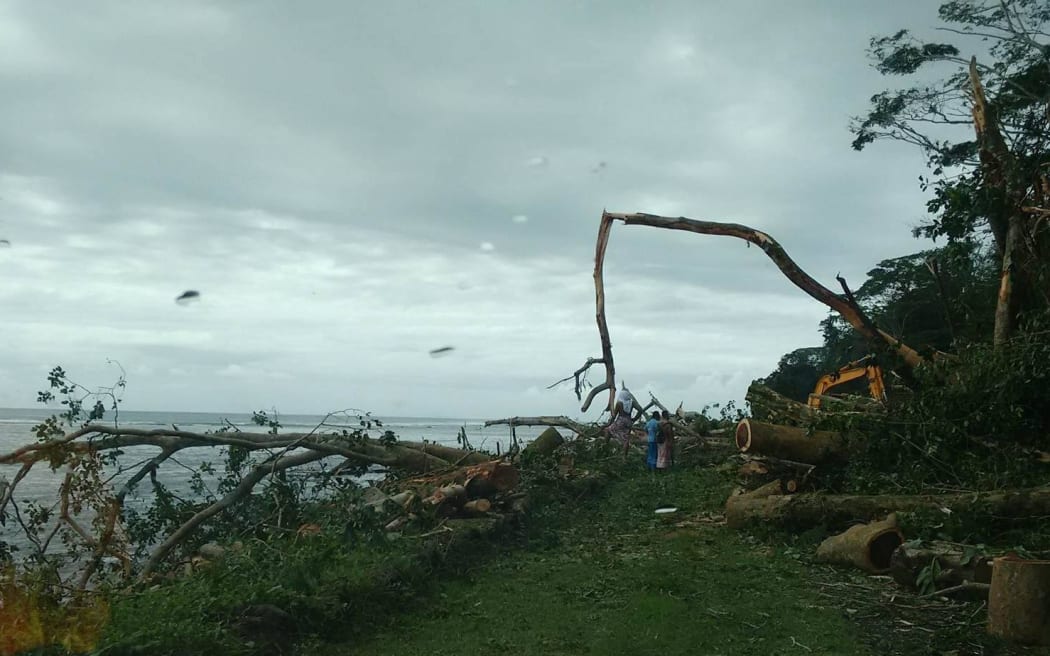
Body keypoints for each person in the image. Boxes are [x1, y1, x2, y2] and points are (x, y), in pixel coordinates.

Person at [604, 387, 635, 458]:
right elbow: (640, 410)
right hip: (629, 421)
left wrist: (609, 424)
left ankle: (605, 447)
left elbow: (614, 416)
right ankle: (624, 457)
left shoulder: (619, 403)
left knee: (607, 430)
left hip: (621, 421)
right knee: (626, 439)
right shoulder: (632, 403)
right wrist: (634, 419)